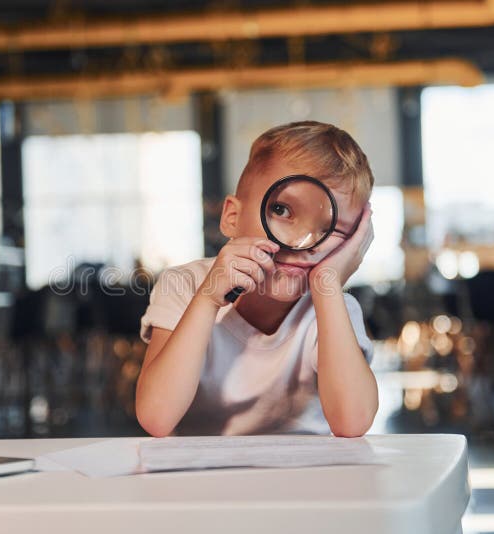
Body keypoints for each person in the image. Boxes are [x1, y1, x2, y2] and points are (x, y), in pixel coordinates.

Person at [136, 121, 377, 437]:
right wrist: (207, 300)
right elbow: (156, 417)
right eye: (282, 210)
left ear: (352, 246)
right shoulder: (184, 286)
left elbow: (352, 423)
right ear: (232, 217)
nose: (302, 242)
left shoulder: (336, 309)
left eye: (331, 231)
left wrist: (328, 284)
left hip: (304, 482)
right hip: (201, 481)